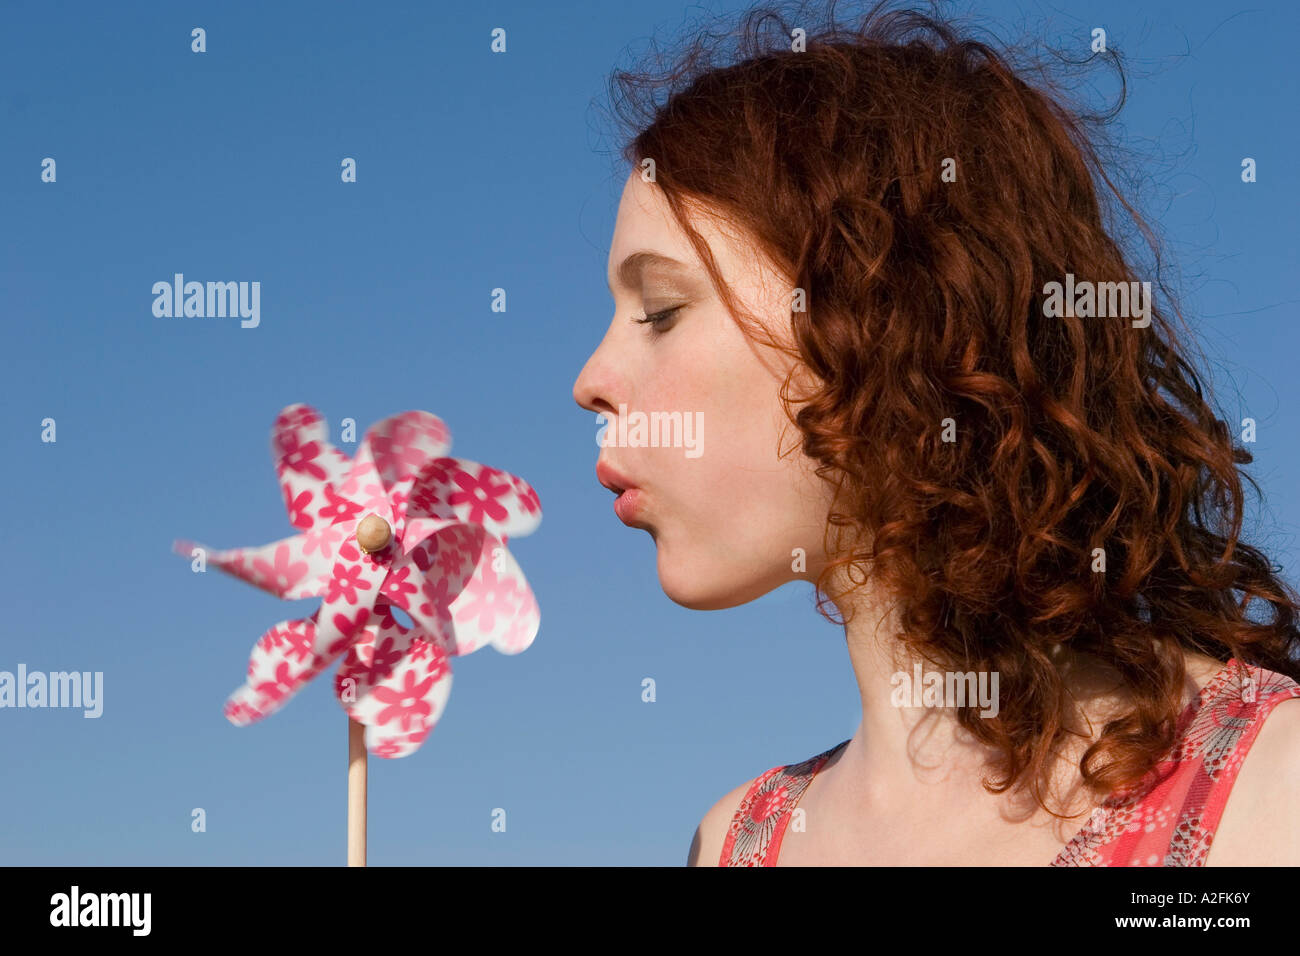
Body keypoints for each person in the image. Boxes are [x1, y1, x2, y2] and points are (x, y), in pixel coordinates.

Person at [572, 1, 1300, 866]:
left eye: (660, 309)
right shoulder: (734, 844)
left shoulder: (1264, 794)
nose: (589, 382)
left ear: (884, 316)